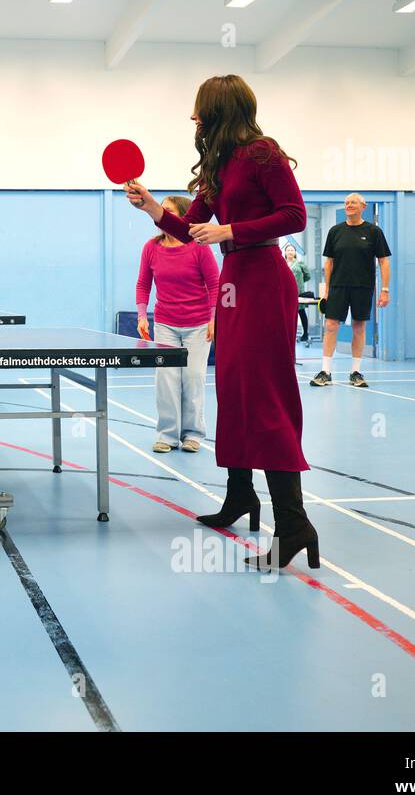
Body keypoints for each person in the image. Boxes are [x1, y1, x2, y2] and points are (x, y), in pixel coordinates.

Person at [125, 74, 316, 570]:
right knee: (232, 390)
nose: (193, 117)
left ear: (221, 109)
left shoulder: (262, 153)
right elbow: (190, 231)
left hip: (264, 279)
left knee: (265, 395)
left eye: (199, 108)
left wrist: (230, 228)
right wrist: (150, 205)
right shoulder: (220, 163)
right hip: (235, 278)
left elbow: (295, 216)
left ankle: (294, 522)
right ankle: (240, 496)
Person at [135, 195, 219, 454]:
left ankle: (193, 434)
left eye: (167, 211)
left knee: (193, 378)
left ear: (181, 217)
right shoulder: (151, 247)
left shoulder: (198, 246)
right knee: (166, 379)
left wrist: (215, 318)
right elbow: (143, 284)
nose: (161, 215)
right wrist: (141, 315)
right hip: (165, 324)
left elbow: (216, 283)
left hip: (198, 324)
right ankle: (167, 435)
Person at [311, 193, 391, 388]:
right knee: (331, 325)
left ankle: (355, 372)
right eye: (346, 203)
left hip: (362, 286)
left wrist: (385, 290)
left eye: (353, 202)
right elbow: (328, 262)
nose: (349, 205)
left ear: (363, 206)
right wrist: (327, 289)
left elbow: (383, 261)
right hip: (338, 286)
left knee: (359, 327)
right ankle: (325, 371)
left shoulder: (374, 231)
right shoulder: (335, 231)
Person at [284, 244, 312, 343]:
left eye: (292, 250)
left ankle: (305, 333)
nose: (290, 252)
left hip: (298, 292)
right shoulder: (282, 263)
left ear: (295, 253)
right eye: (288, 250)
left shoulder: (300, 263)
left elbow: (308, 276)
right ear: (285, 252)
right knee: (287, 314)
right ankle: (287, 334)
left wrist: (300, 282)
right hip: (285, 292)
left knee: (301, 312)